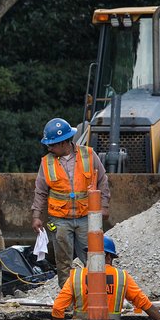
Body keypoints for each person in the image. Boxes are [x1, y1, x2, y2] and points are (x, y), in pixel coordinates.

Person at [31, 118, 110, 287]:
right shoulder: (47, 162)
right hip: (59, 220)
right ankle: (67, 298)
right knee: (63, 262)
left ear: (63, 142)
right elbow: (40, 191)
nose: (49, 148)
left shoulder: (88, 155)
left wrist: (104, 206)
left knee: (92, 259)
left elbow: (102, 180)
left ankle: (95, 293)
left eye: (52, 145)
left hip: (86, 217)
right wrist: (36, 216)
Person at [52, 236, 160, 320]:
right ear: (109, 256)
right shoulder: (122, 276)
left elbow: (58, 307)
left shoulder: (76, 276)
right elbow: (144, 304)